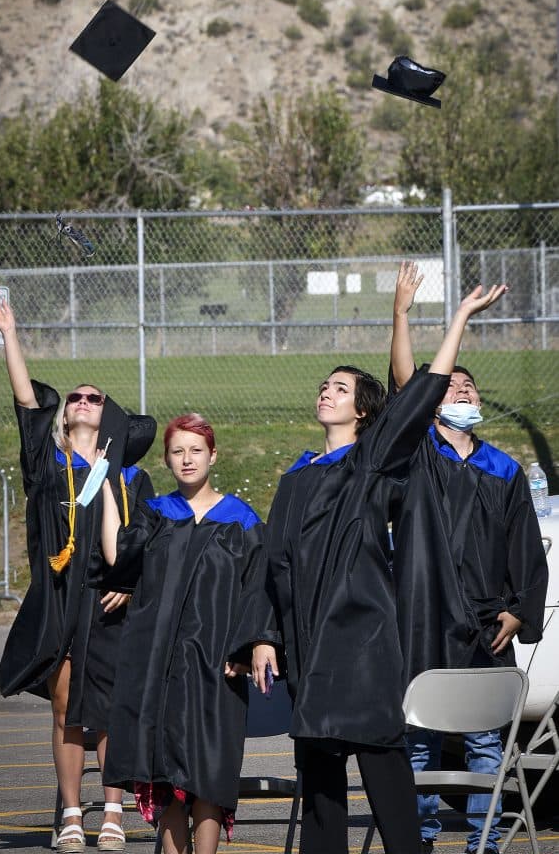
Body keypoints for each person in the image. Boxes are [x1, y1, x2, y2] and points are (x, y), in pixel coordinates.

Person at [250, 282, 511, 854]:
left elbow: (418, 395)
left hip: (363, 644)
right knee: (318, 778)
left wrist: (451, 315)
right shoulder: (296, 478)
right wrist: (265, 636)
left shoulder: (369, 464)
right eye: (323, 385)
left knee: (384, 769)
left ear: (363, 411)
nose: (326, 392)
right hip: (307, 640)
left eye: (339, 388)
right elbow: (274, 561)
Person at [0, 290, 157, 854]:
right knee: (65, 708)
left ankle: (112, 810)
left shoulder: (126, 478)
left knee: (105, 708)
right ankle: (69, 814)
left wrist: (130, 586)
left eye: (94, 396)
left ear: (108, 414)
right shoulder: (46, 464)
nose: (82, 400)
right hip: (61, 597)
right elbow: (27, 403)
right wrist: (11, 334)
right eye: (76, 396)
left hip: (106, 599)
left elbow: (140, 544)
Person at [389, 261, 549, 854]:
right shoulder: (420, 455)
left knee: (485, 739)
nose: (460, 388)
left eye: (469, 385)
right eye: (450, 384)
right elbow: (408, 385)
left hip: (485, 623)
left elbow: (525, 551)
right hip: (424, 616)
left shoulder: (502, 469)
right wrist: (402, 313)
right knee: (420, 737)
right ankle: (422, 836)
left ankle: (483, 838)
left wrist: (517, 610)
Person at [100, 413, 270, 854]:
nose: (187, 459)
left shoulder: (242, 520)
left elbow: (259, 591)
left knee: (208, 769)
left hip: (216, 665)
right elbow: (118, 557)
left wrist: (248, 646)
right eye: (177, 452)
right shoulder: (156, 515)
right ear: (167, 460)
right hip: (157, 664)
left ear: (214, 456)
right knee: (164, 772)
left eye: (196, 450)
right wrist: (103, 487)